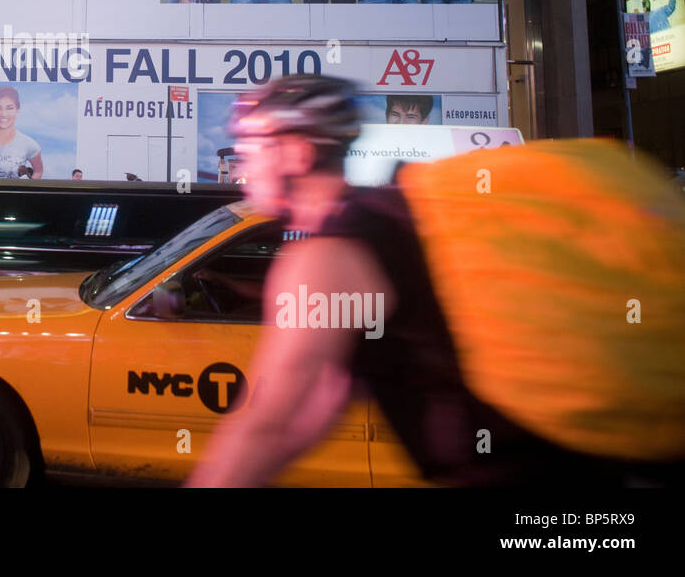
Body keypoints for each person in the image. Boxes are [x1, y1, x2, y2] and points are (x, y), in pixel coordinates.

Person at [185, 75, 642, 488]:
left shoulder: (327, 257)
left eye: (252, 147)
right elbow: (319, 404)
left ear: (297, 151)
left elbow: (269, 422)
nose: (243, 164)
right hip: (574, 470)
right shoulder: (387, 217)